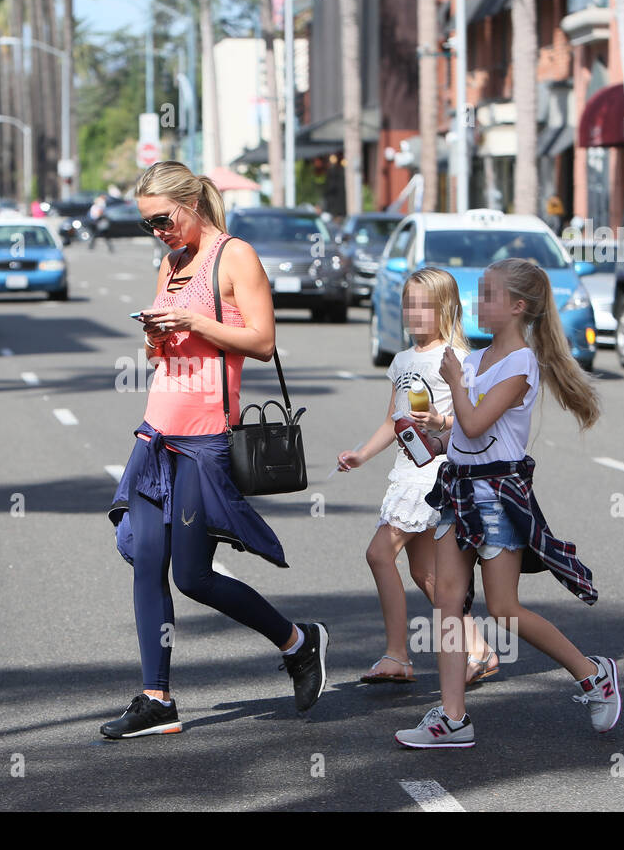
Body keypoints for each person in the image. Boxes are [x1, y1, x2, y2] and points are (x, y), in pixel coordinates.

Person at [103, 160, 329, 739]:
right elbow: (162, 355)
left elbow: (262, 341)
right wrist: (157, 334)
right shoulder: (171, 261)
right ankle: (157, 698)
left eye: (163, 219)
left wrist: (195, 322)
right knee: (147, 564)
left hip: (205, 438)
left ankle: (298, 642)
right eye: (148, 224)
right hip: (158, 431)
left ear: (190, 203)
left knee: (194, 577)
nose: (159, 231)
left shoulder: (235, 256)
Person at [393, 257, 618, 748]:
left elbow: (477, 423)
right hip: (458, 488)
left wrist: (454, 387)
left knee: (504, 609)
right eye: (479, 292)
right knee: (447, 601)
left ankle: (593, 674)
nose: (478, 303)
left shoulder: (520, 364)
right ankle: (453, 718)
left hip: (498, 494)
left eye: (489, 295)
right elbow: (464, 432)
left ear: (517, 307)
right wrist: (433, 433)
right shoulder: (475, 360)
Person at [335, 268, 498, 686]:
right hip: (406, 473)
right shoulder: (402, 360)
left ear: (445, 309)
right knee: (426, 575)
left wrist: (441, 421)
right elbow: (393, 421)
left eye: (424, 305)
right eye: (409, 304)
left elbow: (473, 421)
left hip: (435, 476)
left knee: (378, 554)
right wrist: (361, 455)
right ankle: (479, 650)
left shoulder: (457, 358)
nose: (414, 312)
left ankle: (397, 655)